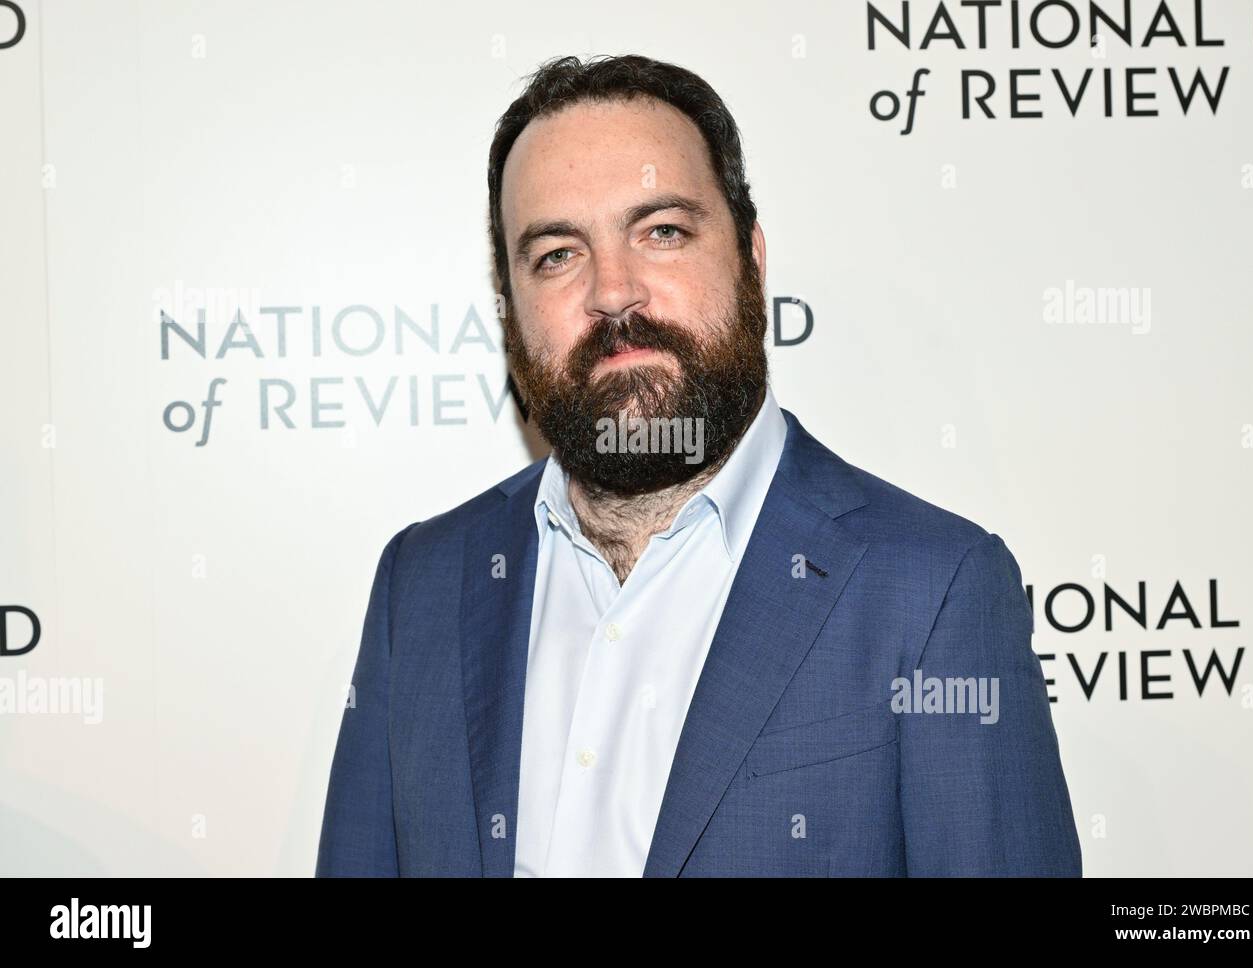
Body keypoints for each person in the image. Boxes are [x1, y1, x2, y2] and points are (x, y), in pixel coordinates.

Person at [315, 53, 1081, 877]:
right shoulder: (422, 585)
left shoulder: (931, 589)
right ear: (510, 302)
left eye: (663, 232)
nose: (614, 292)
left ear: (752, 260)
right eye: (557, 254)